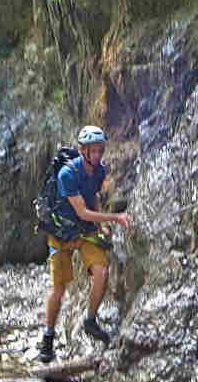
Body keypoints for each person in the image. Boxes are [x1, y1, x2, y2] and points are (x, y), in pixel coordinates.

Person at [39, 125, 132, 364]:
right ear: (83, 150)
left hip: (85, 232)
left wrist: (101, 225)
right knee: (58, 289)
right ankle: (47, 338)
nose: (98, 154)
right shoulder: (66, 175)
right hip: (61, 234)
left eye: (100, 149)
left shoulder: (99, 171)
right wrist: (114, 218)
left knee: (101, 271)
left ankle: (90, 320)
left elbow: (93, 197)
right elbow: (82, 212)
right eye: (94, 150)